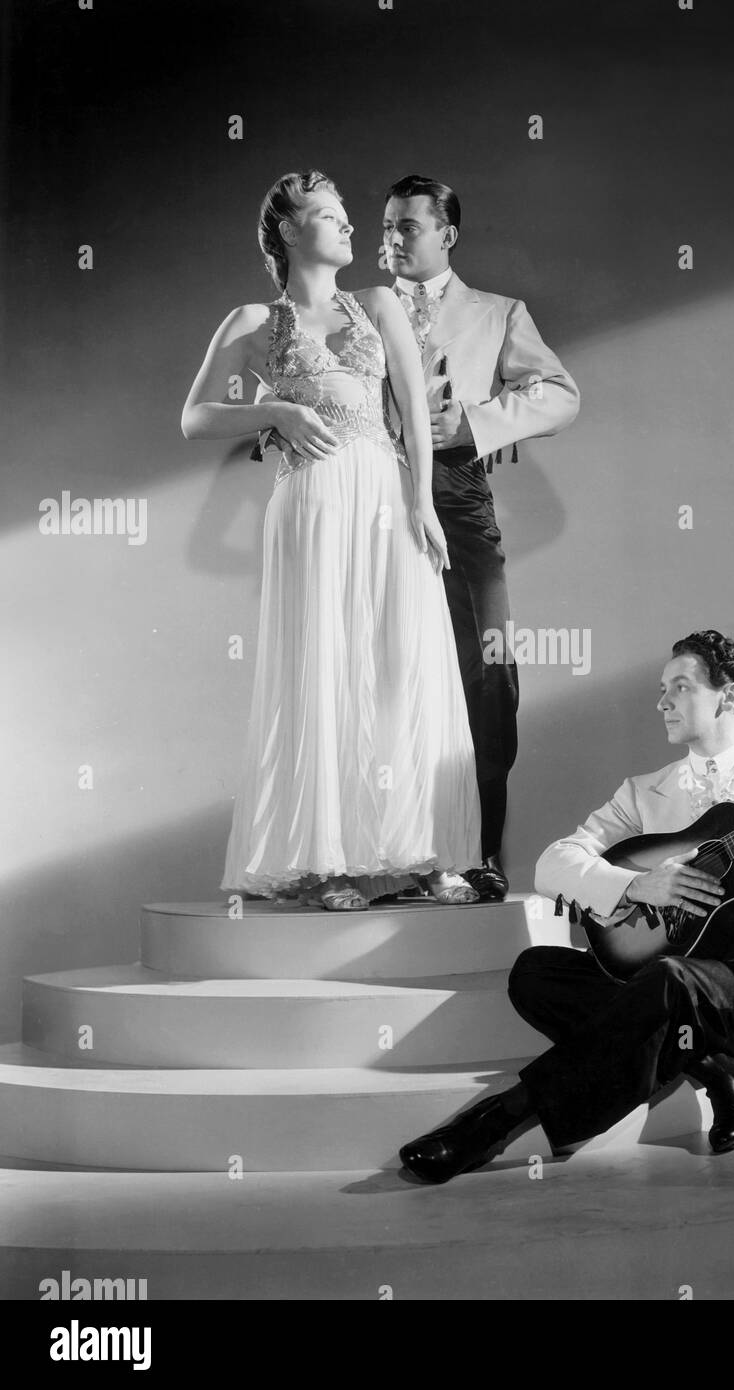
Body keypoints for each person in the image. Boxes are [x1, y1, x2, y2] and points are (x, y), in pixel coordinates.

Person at [398, 629, 734, 1182]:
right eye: (662, 688)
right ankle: (723, 1074)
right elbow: (552, 865)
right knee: (535, 972)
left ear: (727, 697)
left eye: (680, 687)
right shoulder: (643, 792)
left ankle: (494, 1123)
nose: (662, 702)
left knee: (668, 980)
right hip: (663, 980)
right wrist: (636, 887)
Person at [182, 170, 481, 910]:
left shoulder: (377, 303)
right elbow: (195, 417)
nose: (351, 228)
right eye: (329, 215)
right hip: (312, 506)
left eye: (347, 216)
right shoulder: (253, 322)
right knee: (326, 671)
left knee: (401, 667)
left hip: (383, 493)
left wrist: (423, 505)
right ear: (288, 232)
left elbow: (412, 412)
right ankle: (333, 862)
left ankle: (420, 853)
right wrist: (276, 410)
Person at [383, 175, 581, 901]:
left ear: (447, 234)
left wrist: (475, 422)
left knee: (488, 672)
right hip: (374, 502)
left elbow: (561, 395)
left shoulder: (497, 314)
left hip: (457, 498)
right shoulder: (354, 312)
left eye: (408, 225)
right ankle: (387, 860)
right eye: (386, 226)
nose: (392, 239)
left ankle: (477, 855)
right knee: (382, 674)